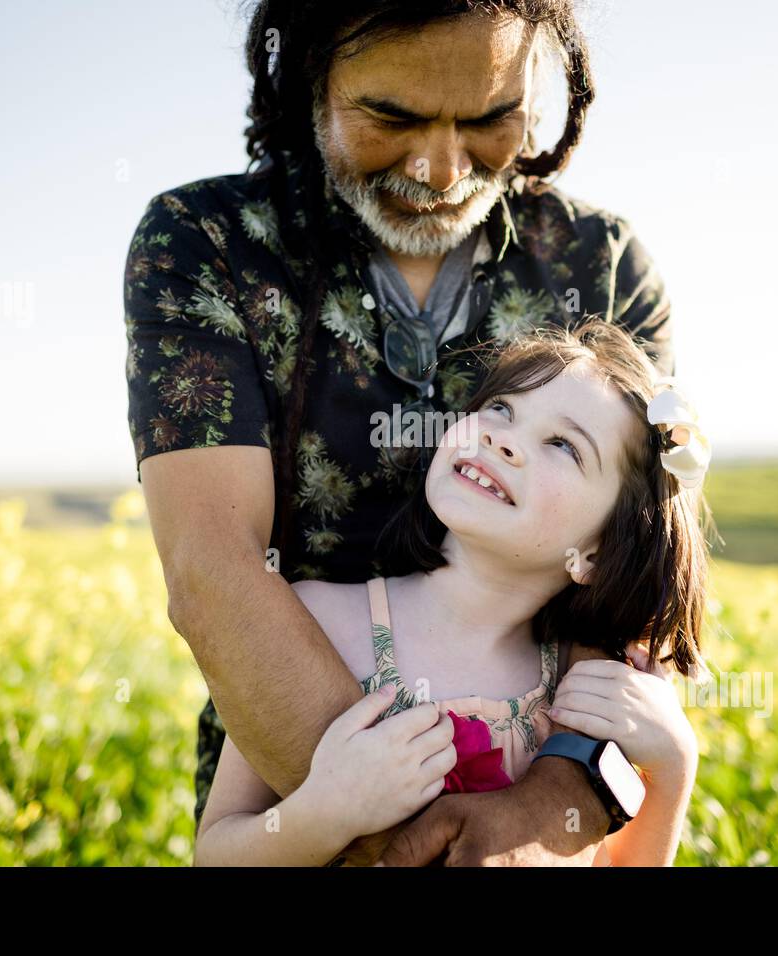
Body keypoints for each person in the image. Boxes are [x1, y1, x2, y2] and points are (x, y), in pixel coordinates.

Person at [125, 0, 680, 865]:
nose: (441, 168)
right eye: (391, 117)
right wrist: (393, 841)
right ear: (308, 78)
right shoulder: (209, 245)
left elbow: (641, 573)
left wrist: (540, 809)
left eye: (492, 118)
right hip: (290, 798)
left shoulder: (600, 264)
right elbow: (213, 569)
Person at [192, 321, 710, 866]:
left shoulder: (584, 699)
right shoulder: (316, 621)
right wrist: (326, 811)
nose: (499, 437)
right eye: (502, 408)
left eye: (562, 444)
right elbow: (217, 852)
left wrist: (674, 766)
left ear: (599, 555)